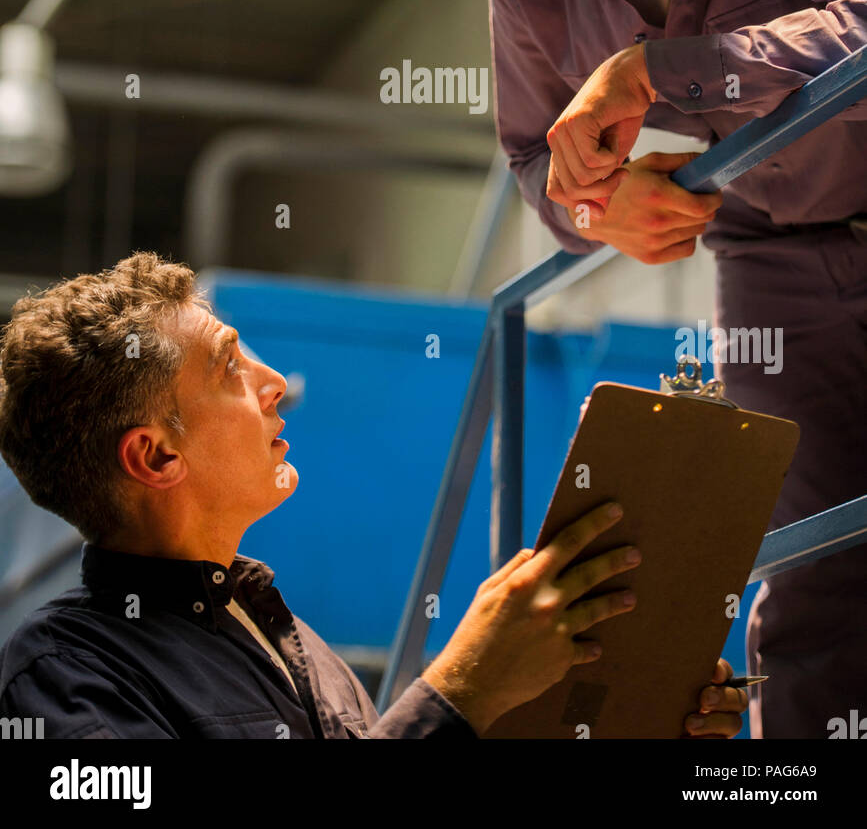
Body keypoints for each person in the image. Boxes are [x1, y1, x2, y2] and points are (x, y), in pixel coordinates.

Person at [485, 0, 867, 739]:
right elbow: (530, 156)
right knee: (806, 584)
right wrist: (602, 213)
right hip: (773, 254)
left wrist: (661, 71)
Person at [0, 251, 741, 739]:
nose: (275, 385)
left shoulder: (279, 632)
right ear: (157, 454)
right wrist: (457, 691)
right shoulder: (65, 676)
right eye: (229, 367)